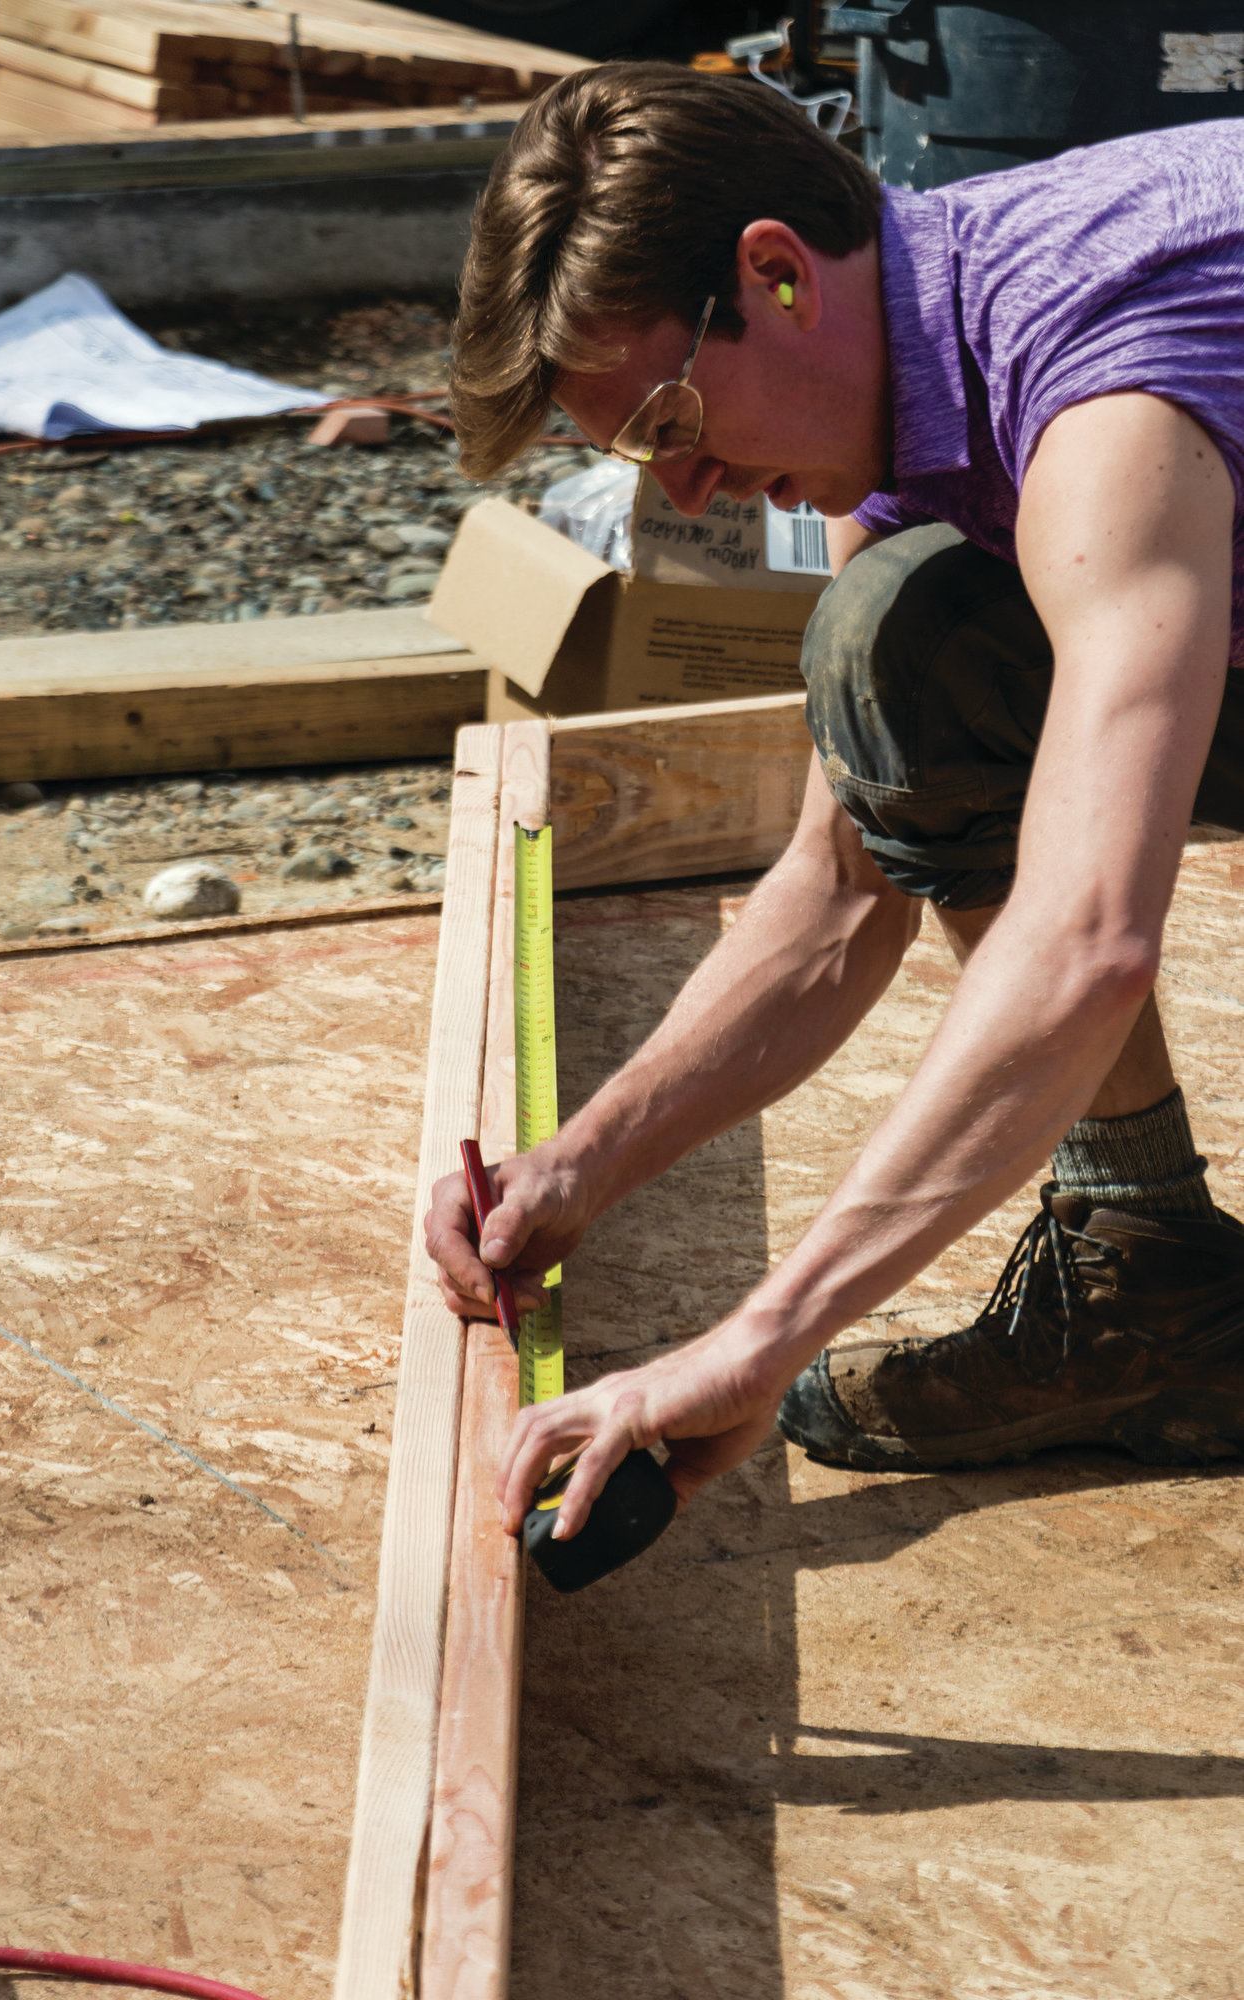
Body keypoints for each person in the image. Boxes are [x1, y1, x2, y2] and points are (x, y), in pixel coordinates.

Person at [425, 62, 1244, 1547]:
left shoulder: (1100, 397)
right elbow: (831, 886)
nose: (695, 482)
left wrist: (762, 1333)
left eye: (670, 418)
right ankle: (1155, 1276)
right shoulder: (934, 341)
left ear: (773, 274)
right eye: (639, 457)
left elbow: (1084, 940)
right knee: (900, 634)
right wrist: (577, 1164)